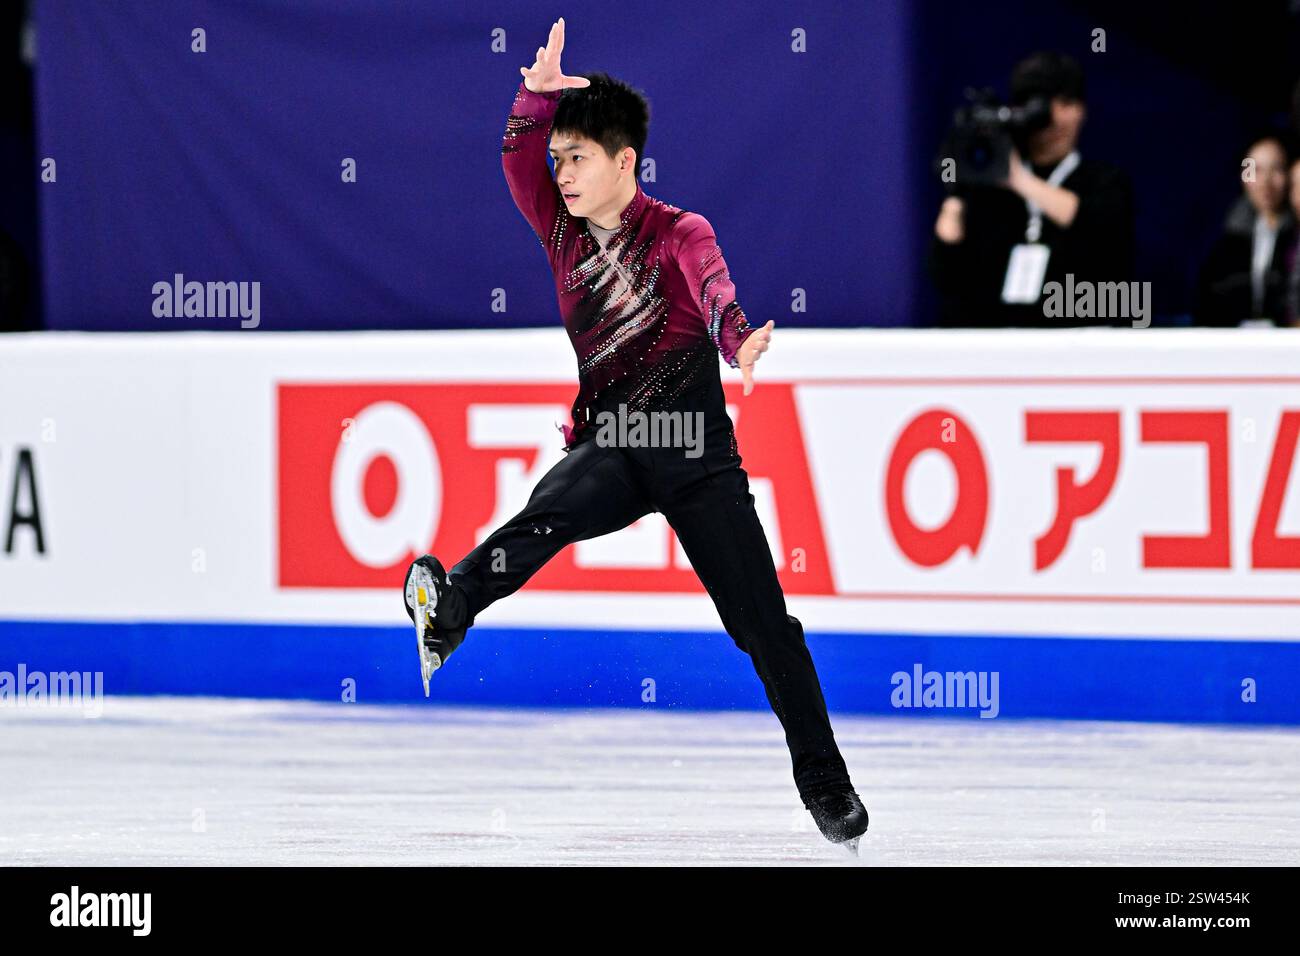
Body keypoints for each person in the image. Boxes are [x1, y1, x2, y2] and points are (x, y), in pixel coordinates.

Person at [401, 18, 867, 851]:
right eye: (560, 159)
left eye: (577, 157)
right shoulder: (560, 228)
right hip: (611, 446)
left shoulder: (681, 232)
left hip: (695, 454)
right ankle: (451, 608)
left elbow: (717, 294)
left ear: (626, 161)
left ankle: (827, 790)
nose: (561, 171)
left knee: (765, 628)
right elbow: (516, 158)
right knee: (550, 510)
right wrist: (533, 100)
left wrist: (737, 340)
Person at [929, 51, 1136, 327]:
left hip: (1082, 342)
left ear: (1082, 111)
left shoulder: (1104, 182)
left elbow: (1100, 227)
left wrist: (1019, 180)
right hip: (999, 347)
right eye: (1045, 106)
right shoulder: (988, 191)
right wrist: (955, 196)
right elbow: (946, 275)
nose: (1056, 118)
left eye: (1067, 103)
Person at [1194, 134, 1296, 326]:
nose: (1266, 181)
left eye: (1277, 169)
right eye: (1255, 170)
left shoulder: (1295, 237)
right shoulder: (1227, 239)